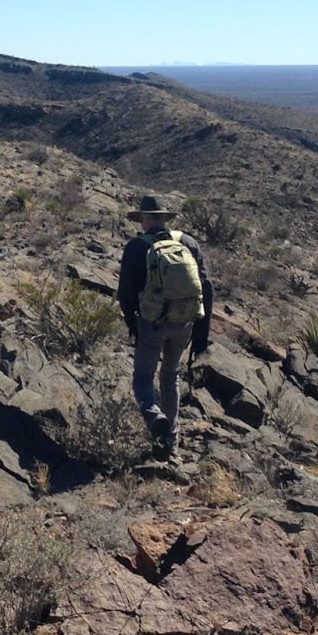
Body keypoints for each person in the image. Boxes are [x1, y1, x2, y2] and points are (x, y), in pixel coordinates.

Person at [117, 193, 213, 457]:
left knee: (143, 379)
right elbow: (207, 286)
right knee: (171, 378)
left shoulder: (136, 247)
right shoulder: (188, 242)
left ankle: (153, 415)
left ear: (144, 220)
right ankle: (169, 444)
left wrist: (134, 327)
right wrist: (203, 332)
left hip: (152, 323)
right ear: (165, 219)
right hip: (185, 322)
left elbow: (125, 294)